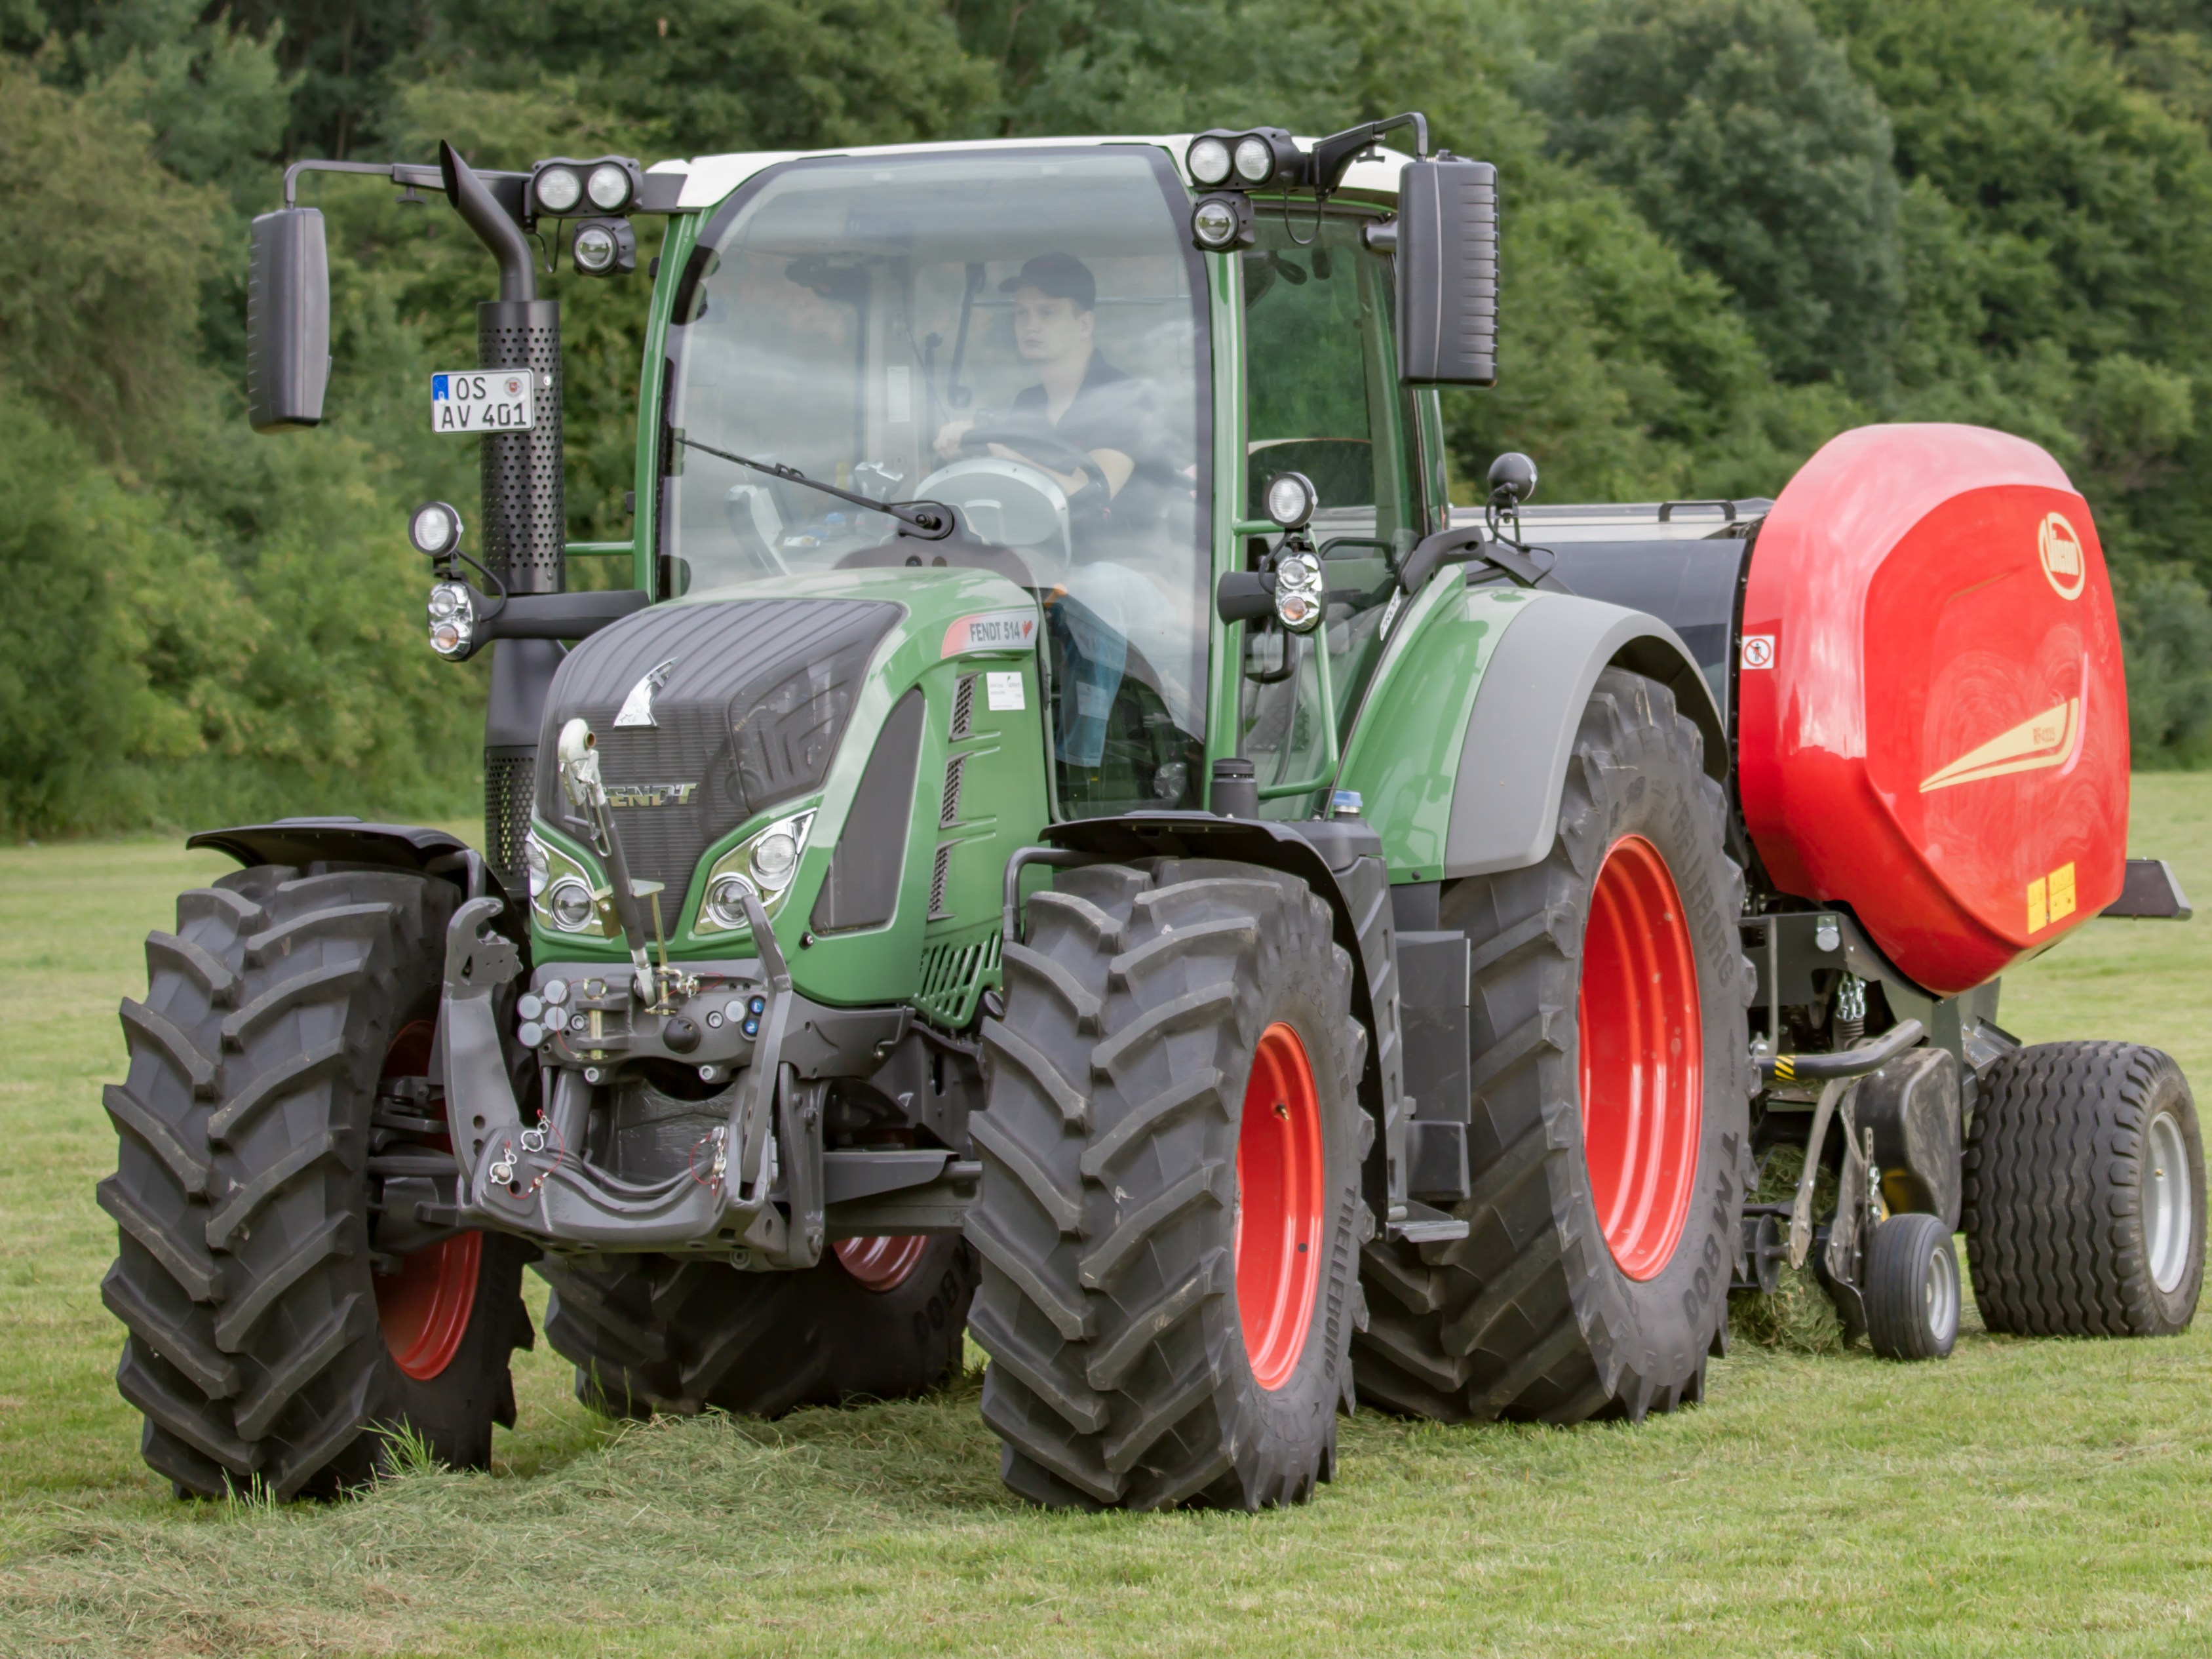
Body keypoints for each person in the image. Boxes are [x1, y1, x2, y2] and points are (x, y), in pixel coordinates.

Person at [933, 252, 1153, 509]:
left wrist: (997, 450)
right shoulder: (1028, 402)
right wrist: (965, 446)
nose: (1030, 325)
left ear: (1084, 325)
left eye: (1047, 313)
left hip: (1123, 547)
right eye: (1021, 313)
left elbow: (1092, 496)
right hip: (1043, 544)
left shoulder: (1125, 400)